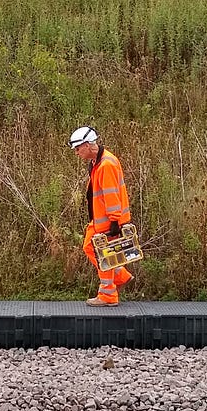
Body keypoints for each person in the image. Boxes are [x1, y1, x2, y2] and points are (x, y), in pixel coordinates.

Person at [69, 126, 133, 307]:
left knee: (103, 253)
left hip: (108, 221)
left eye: (78, 148)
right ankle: (120, 276)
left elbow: (111, 194)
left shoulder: (106, 165)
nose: (76, 153)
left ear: (87, 145)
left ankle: (107, 295)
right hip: (100, 219)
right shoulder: (98, 162)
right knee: (92, 248)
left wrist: (114, 221)